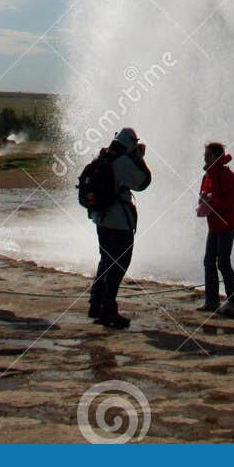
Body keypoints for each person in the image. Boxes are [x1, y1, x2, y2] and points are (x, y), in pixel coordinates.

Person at [83, 127, 151, 330]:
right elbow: (143, 182)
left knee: (105, 261)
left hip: (101, 220)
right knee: (118, 264)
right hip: (119, 222)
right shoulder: (123, 162)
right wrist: (139, 158)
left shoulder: (103, 157)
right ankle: (108, 311)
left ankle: (95, 305)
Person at [196, 142, 234, 318]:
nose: (205, 158)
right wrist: (203, 202)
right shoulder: (208, 176)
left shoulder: (225, 175)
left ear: (216, 157)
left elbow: (233, 201)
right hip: (215, 225)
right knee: (209, 261)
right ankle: (212, 301)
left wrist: (212, 203)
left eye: (208, 155)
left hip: (227, 224)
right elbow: (204, 195)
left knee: (223, 262)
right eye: (205, 155)